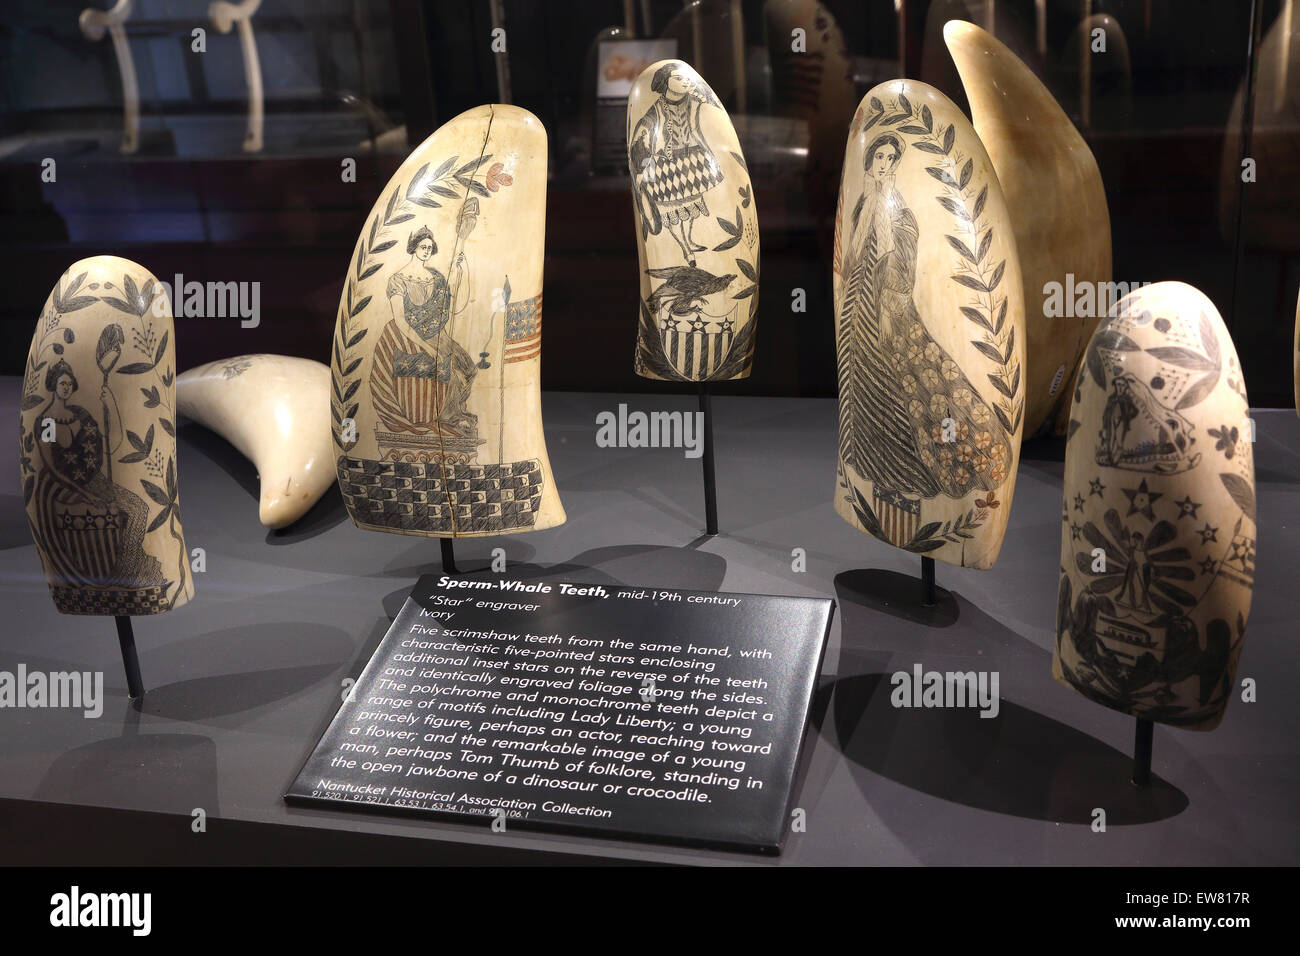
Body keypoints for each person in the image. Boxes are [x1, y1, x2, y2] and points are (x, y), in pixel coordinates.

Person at [837, 132, 1011, 542]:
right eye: (876, 156)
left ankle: (905, 469)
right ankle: (868, 462)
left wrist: (884, 306)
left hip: (889, 311)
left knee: (903, 386)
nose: (882, 163)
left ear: (895, 163)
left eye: (888, 157)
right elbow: (849, 261)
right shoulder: (863, 206)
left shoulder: (900, 216)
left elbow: (903, 271)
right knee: (862, 383)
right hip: (857, 308)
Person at [32, 359, 158, 588]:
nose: (66, 388)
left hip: (94, 479)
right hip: (64, 483)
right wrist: (83, 493)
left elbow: (108, 445)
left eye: (70, 384)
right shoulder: (47, 422)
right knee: (132, 510)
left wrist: (110, 407)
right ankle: (121, 574)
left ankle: (125, 568)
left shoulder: (81, 415)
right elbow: (50, 465)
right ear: (53, 385)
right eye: (62, 383)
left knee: (139, 508)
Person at [372, 225, 478, 438]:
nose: (427, 250)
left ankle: (458, 411)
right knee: (454, 372)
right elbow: (400, 320)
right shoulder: (398, 280)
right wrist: (427, 349)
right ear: (413, 248)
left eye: (430, 247)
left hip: (437, 334)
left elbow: (451, 308)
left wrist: (458, 273)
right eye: (423, 246)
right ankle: (450, 418)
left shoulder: (437, 277)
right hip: (410, 335)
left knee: (469, 368)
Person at [629, 63, 724, 266]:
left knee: (691, 203)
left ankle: (688, 240)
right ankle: (685, 249)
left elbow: (698, 129)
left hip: (691, 159)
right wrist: (643, 163)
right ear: (666, 82)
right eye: (678, 78)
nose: (685, 82)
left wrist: (708, 153)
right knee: (672, 209)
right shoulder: (655, 109)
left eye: (686, 79)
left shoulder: (692, 103)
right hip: (666, 164)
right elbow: (643, 133)